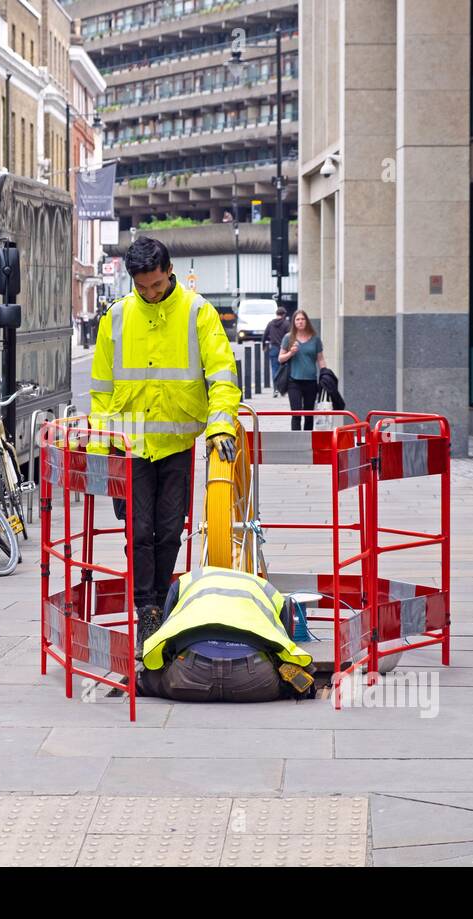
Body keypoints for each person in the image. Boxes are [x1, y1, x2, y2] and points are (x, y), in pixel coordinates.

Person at [89, 236, 241, 641]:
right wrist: (98, 447)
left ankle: (157, 600)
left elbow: (223, 376)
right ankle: (149, 608)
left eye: (156, 285)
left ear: (170, 271)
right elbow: (101, 390)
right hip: (131, 443)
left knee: (170, 530)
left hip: (177, 441)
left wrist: (221, 425)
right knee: (138, 532)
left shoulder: (198, 312)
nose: (151, 294)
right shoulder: (117, 317)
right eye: (142, 288)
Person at [137, 566, 315, 701]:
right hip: (254, 679)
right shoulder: (266, 589)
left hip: (188, 675)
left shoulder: (185, 582)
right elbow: (284, 644)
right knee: (288, 682)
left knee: (149, 678)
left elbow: (167, 635)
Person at [277, 309, 325, 431]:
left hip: (311, 382)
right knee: (296, 413)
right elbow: (280, 359)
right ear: (294, 322)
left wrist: (324, 374)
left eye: (303, 319)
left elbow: (320, 359)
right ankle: (296, 441)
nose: (300, 322)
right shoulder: (288, 338)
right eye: (297, 319)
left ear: (307, 321)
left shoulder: (315, 339)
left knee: (309, 415)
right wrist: (290, 353)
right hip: (294, 381)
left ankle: (308, 441)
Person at [263, 307, 290, 396]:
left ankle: (276, 389)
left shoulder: (271, 323)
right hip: (284, 349)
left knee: (274, 369)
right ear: (284, 315)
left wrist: (264, 345)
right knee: (284, 369)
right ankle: (283, 387)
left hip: (273, 348)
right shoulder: (286, 324)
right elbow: (290, 336)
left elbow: (265, 335)